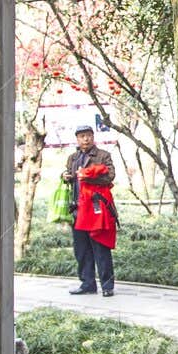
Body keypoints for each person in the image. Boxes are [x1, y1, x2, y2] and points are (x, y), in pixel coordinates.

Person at [65, 125, 117, 296]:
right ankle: (87, 283)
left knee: (100, 247)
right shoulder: (73, 158)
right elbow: (70, 176)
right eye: (81, 136)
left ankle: (107, 286)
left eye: (88, 135)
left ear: (93, 136)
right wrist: (65, 176)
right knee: (82, 250)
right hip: (78, 209)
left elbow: (109, 176)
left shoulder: (103, 155)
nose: (85, 139)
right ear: (77, 139)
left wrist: (89, 175)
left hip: (96, 208)